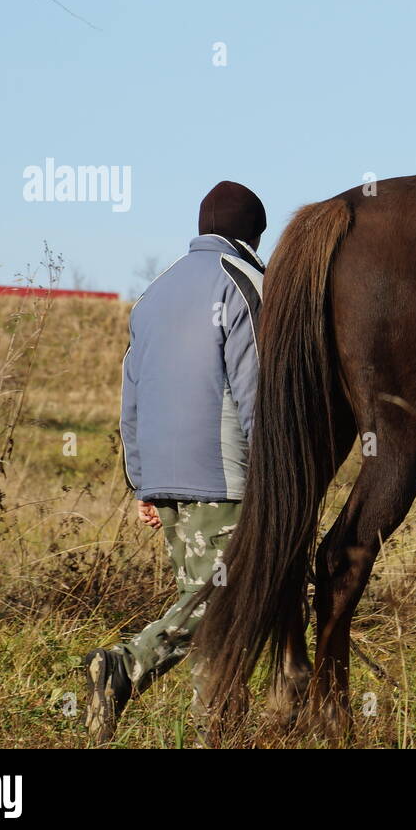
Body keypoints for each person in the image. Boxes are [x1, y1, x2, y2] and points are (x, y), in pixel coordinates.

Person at [81, 180, 267, 745]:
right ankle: (125, 667)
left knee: (201, 596)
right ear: (255, 234)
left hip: (164, 471)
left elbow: (129, 391)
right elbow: (255, 382)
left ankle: (217, 729)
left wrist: (141, 480)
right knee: (221, 600)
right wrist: (273, 471)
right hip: (222, 471)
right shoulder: (247, 282)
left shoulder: (154, 291)